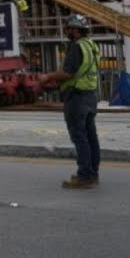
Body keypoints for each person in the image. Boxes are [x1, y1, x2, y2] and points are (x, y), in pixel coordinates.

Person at [40, 14, 101, 189]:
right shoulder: (91, 45)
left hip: (77, 97)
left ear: (75, 30)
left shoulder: (76, 46)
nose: (67, 32)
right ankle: (93, 174)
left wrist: (48, 77)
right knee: (91, 137)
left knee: (80, 137)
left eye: (68, 29)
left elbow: (69, 72)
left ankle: (84, 177)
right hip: (90, 96)